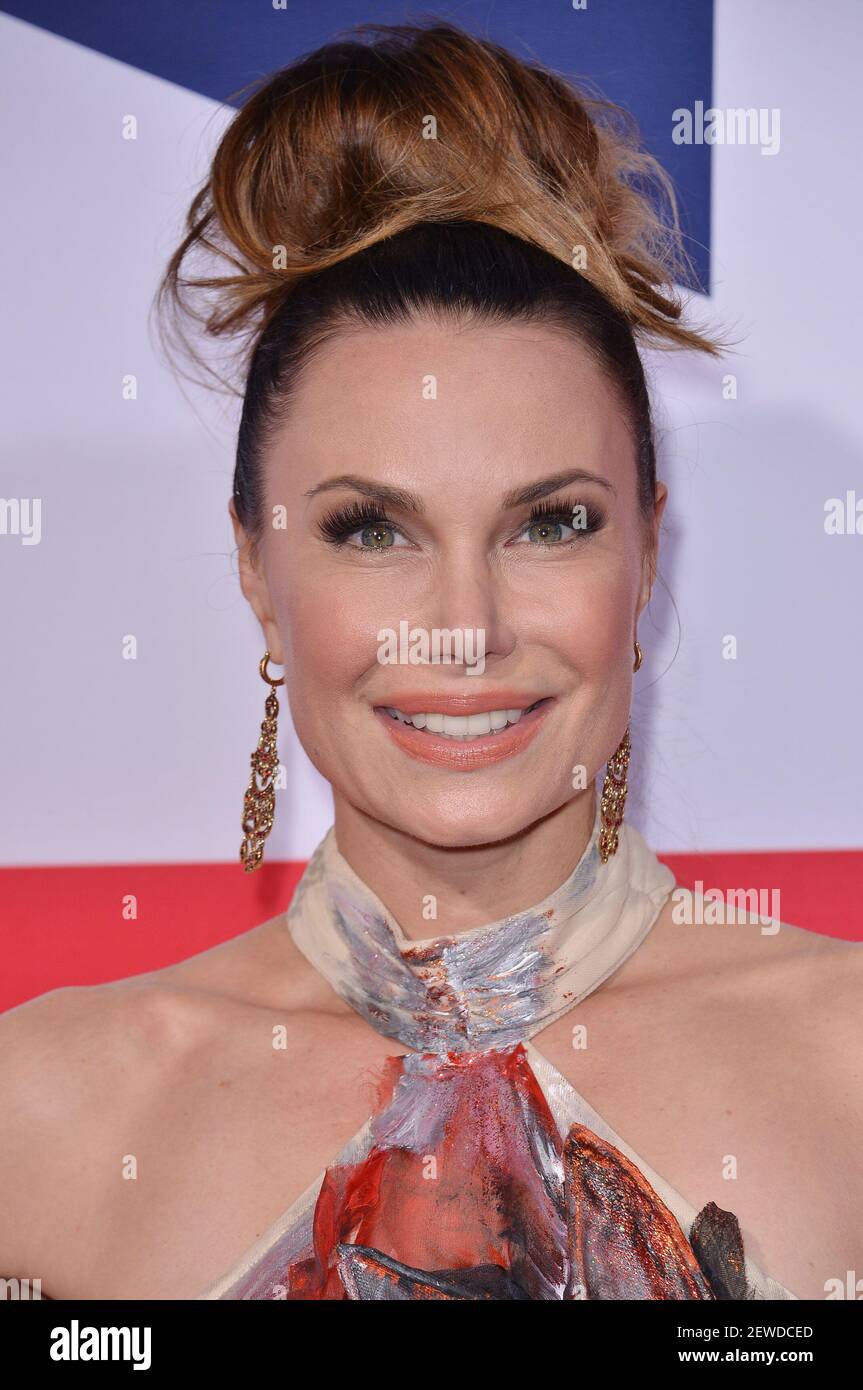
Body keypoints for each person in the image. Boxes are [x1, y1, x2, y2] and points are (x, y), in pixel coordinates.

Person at [2, 20, 860, 1302]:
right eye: (372, 528)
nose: (460, 624)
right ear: (256, 567)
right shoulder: (45, 1117)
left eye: (549, 521)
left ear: (646, 556)